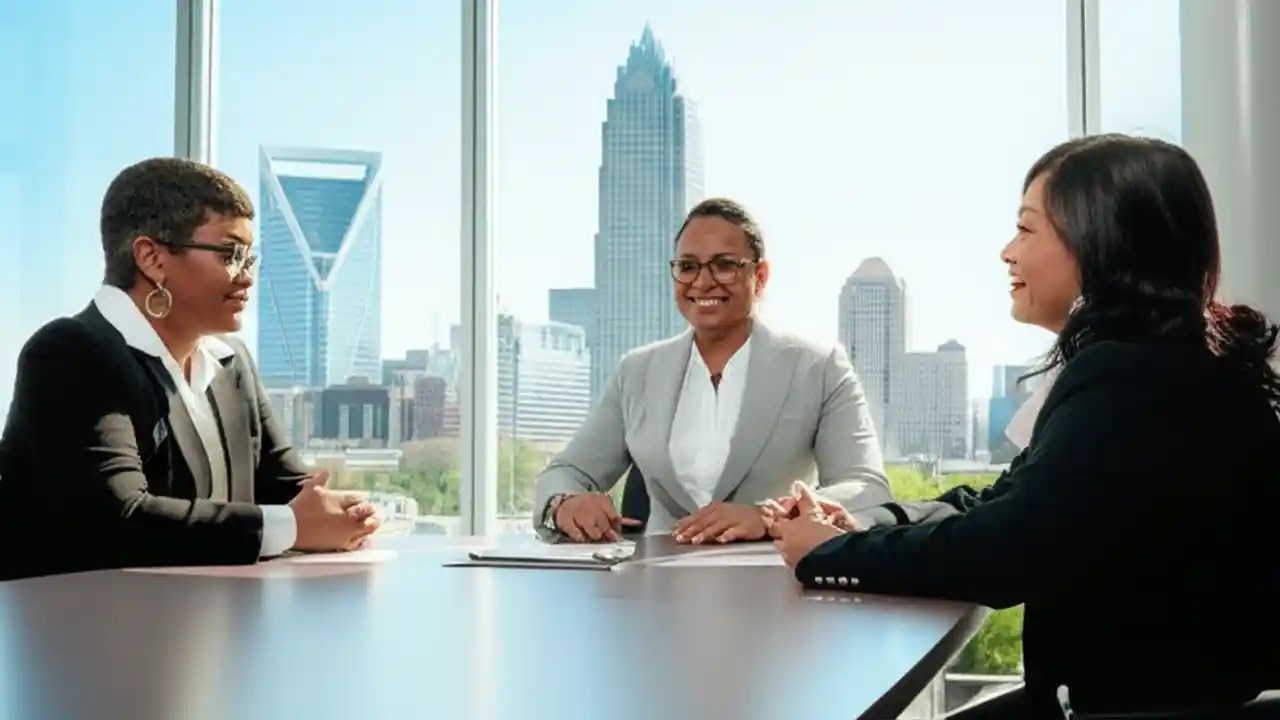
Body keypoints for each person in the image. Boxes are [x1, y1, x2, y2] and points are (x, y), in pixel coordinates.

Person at [768, 134, 1280, 718]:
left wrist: (831, 554)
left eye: (1026, 229)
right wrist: (860, 523)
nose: (1007, 253)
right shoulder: (1169, 365)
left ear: (1100, 241)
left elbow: (1003, 549)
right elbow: (1004, 500)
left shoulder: (1128, 379)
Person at [0, 158, 380, 581]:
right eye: (231, 254)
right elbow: (117, 519)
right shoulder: (70, 354)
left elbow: (288, 488)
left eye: (250, 258)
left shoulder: (231, 361)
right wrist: (291, 526)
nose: (248, 276)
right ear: (152, 258)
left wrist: (346, 513)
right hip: (82, 620)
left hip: (207, 617)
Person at [533, 198, 891, 544]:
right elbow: (567, 472)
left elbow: (866, 486)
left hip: (775, 574)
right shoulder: (636, 372)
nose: (703, 282)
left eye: (724, 265)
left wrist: (768, 518)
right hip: (656, 576)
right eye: (688, 267)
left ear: (760, 276)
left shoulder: (818, 366)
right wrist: (564, 504)